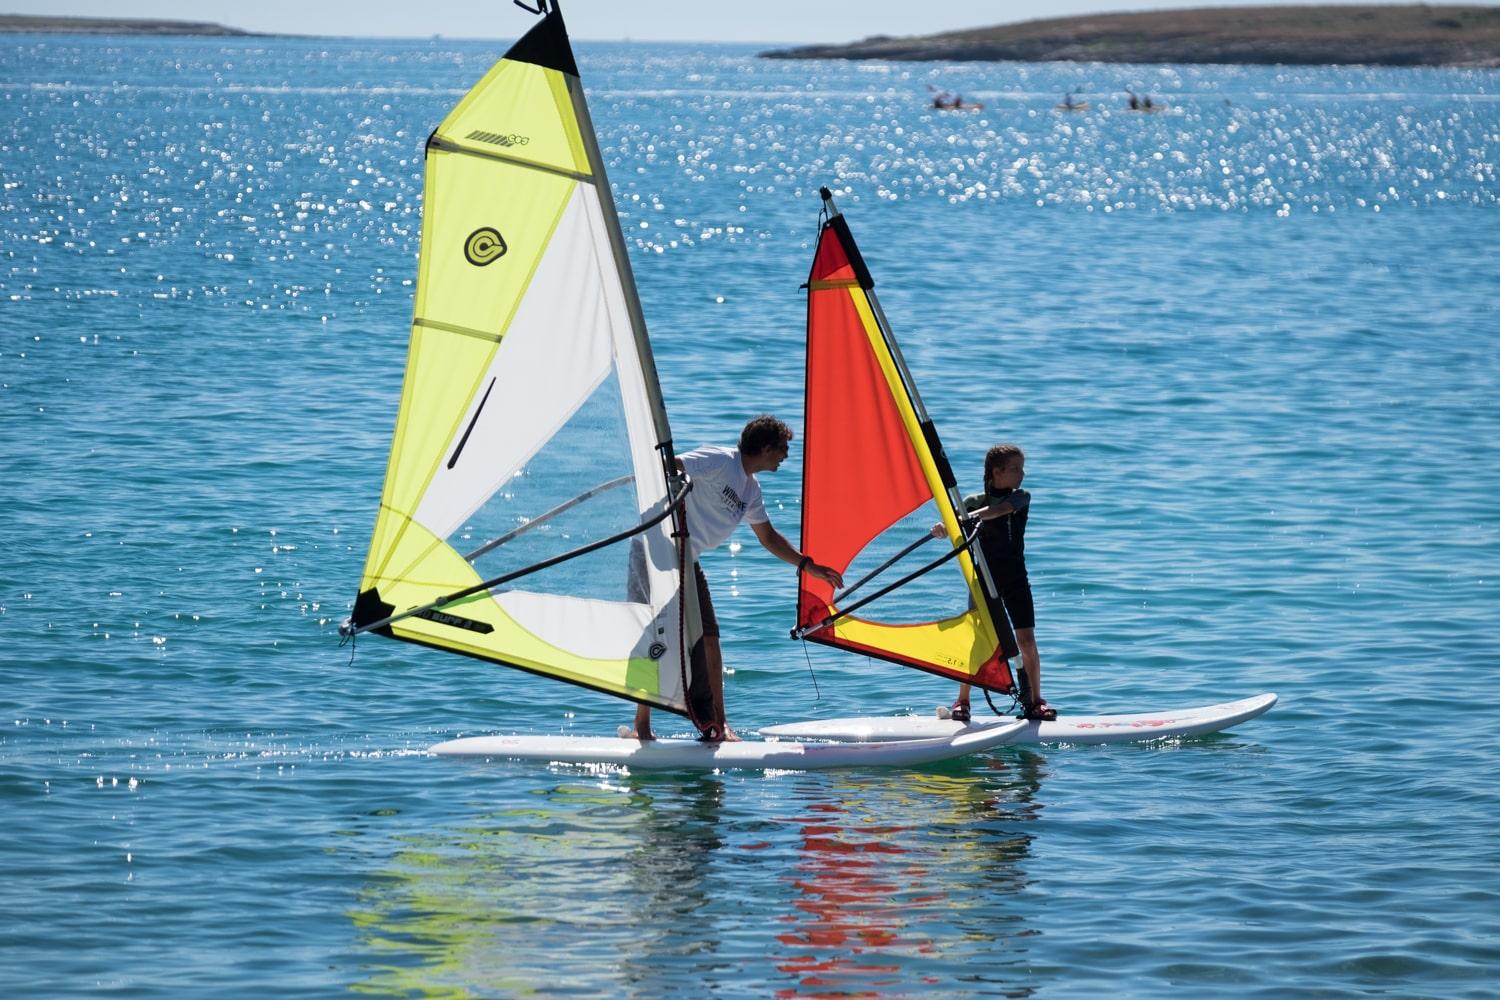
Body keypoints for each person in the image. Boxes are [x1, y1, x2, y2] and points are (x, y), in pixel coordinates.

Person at [629, 415, 843, 743]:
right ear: (767, 448)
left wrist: (807, 565)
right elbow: (672, 465)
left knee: (709, 639)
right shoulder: (720, 460)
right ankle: (641, 726)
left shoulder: (751, 490)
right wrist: (675, 478)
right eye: (783, 449)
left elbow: (768, 537)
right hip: (655, 551)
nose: (786, 456)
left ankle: (718, 724)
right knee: (654, 637)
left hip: (687, 558)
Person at [934, 443, 1052, 722]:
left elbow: (998, 512)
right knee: (977, 640)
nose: (1022, 474)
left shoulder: (1021, 497)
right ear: (996, 472)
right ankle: (962, 701)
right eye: (1015, 469)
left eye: (1022, 468)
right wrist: (945, 527)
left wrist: (958, 521)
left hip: (1016, 579)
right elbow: (954, 524)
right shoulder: (972, 501)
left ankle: (1036, 701)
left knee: (1026, 640)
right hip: (984, 581)